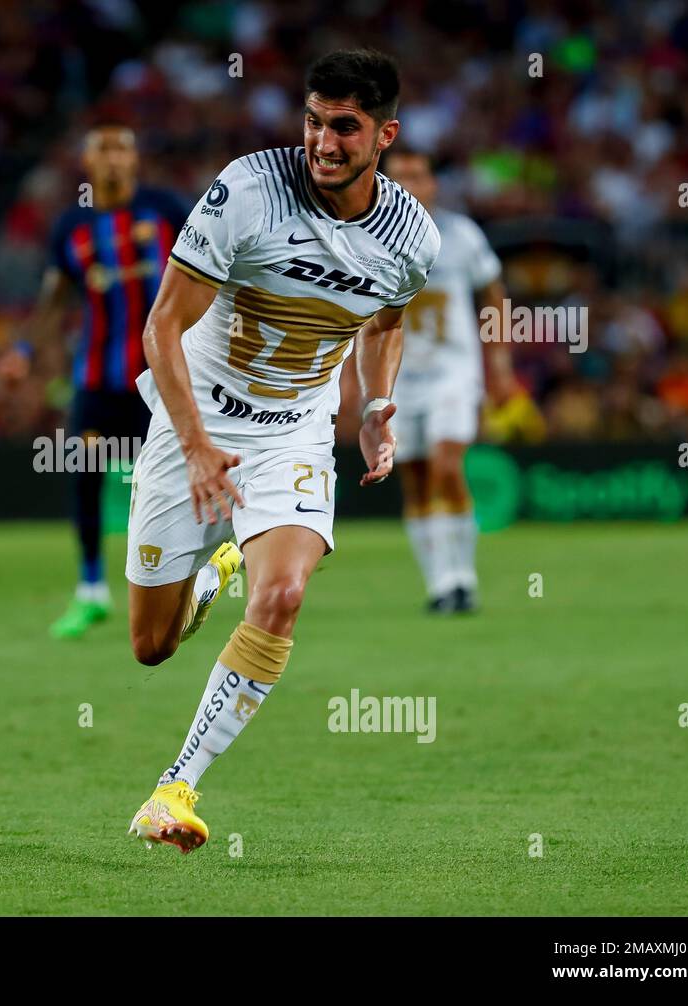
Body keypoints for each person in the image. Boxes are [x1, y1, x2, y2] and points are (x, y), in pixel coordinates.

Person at [123, 49, 440, 853]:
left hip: (293, 429)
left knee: (286, 596)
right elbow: (162, 326)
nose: (324, 142)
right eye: (313, 121)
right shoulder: (248, 191)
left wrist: (372, 406)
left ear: (384, 135)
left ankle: (174, 788)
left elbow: (387, 324)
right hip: (195, 417)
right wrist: (195, 447)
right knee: (151, 646)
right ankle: (210, 575)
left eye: (345, 127)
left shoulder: (411, 237)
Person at [28, 124, 190, 640]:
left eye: (123, 147)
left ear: (136, 159)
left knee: (176, 481)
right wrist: (25, 350)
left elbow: (208, 273)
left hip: (164, 375)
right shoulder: (71, 227)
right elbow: (54, 297)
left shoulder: (166, 209)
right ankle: (92, 590)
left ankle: (191, 581)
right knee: (86, 471)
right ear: (88, 162)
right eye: (105, 149)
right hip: (98, 377)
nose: (115, 158)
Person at [381, 149, 516, 612]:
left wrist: (498, 363)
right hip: (400, 379)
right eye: (398, 177)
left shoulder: (460, 235)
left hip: (454, 374)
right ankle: (440, 585)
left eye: (416, 176)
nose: (408, 186)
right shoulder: (370, 240)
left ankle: (463, 578)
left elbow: (493, 295)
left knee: (446, 467)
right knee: (416, 481)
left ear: (433, 183)